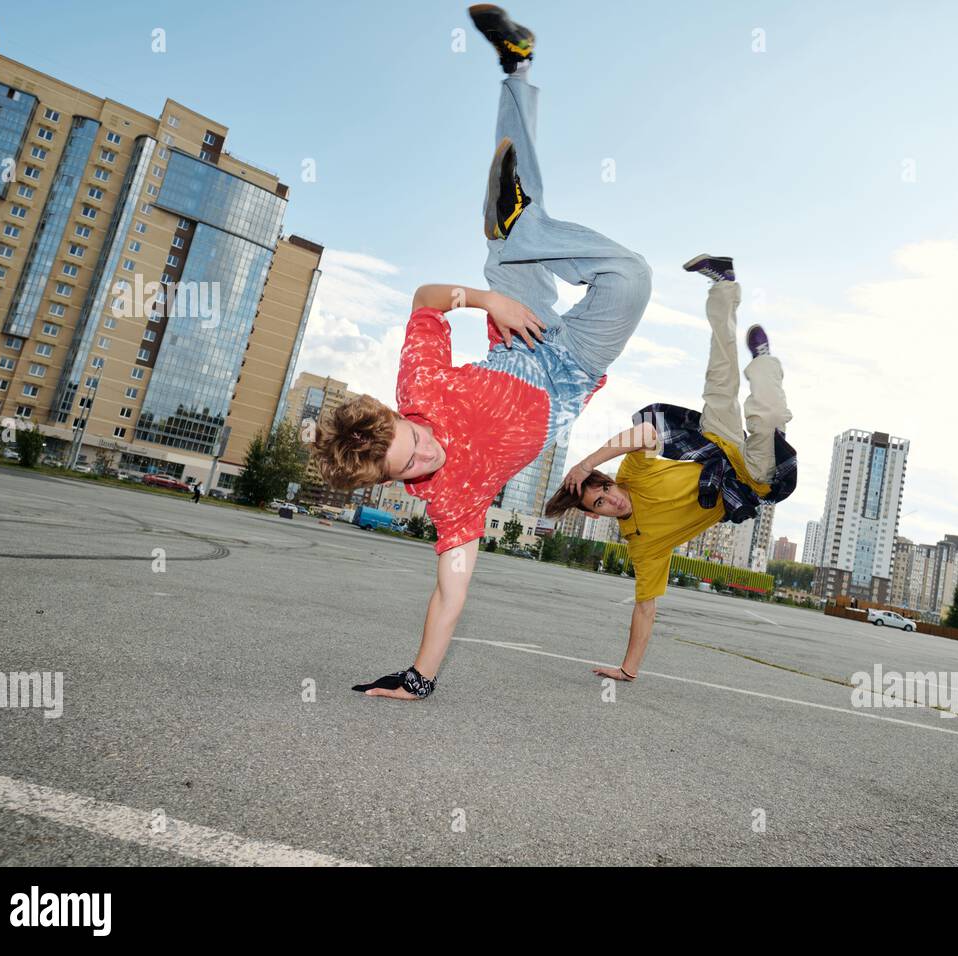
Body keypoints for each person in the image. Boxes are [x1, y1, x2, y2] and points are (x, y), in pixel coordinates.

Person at [314, 4, 651, 701]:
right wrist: (418, 678)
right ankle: (521, 229)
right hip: (572, 369)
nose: (427, 454)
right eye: (411, 466)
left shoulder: (419, 386)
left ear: (398, 418)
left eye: (415, 441)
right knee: (630, 275)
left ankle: (515, 69)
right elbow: (449, 593)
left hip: (517, 328)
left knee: (504, 237)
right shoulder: (451, 498)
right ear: (392, 480)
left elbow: (422, 299)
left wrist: (483, 301)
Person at [544, 255, 796, 683]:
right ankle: (766, 361)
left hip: (716, 441)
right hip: (750, 476)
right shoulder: (643, 547)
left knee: (720, 371)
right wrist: (627, 669)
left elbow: (643, 434)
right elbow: (645, 608)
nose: (613, 498)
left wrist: (588, 462)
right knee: (767, 415)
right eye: (602, 503)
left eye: (605, 488)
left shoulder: (631, 476)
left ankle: (723, 284)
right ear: (593, 515)